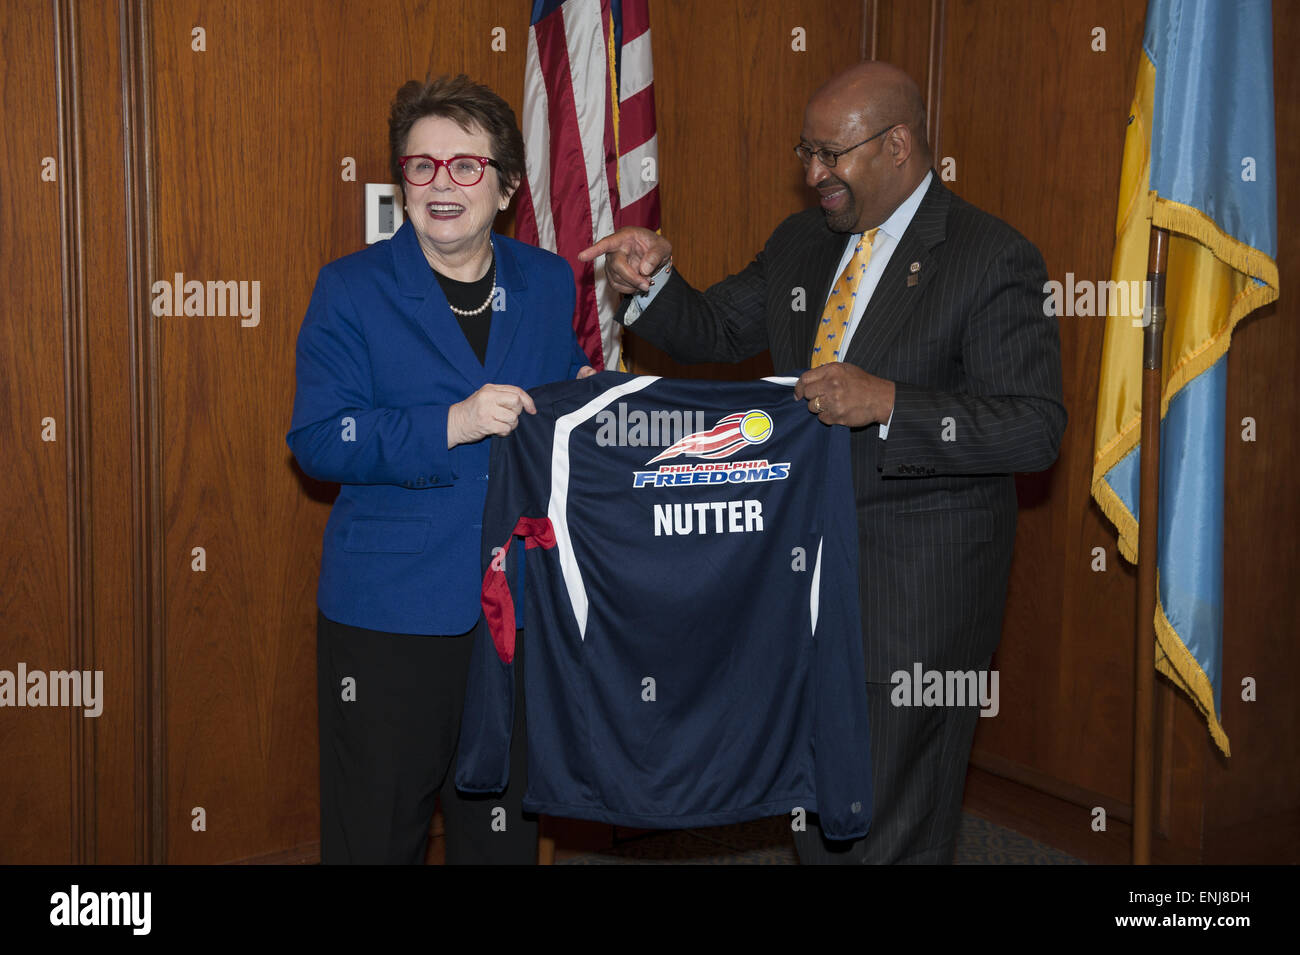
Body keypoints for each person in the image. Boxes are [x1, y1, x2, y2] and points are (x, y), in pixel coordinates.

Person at [580, 60, 1066, 864]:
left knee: (883, 809)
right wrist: (652, 279)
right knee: (813, 787)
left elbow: (1034, 429)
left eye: (830, 156)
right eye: (804, 153)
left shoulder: (990, 256)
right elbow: (714, 330)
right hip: (798, 566)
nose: (812, 175)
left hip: (913, 586)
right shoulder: (803, 242)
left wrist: (889, 403)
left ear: (899, 145)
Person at [288, 74, 593, 864]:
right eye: (422, 166)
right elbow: (320, 438)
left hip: (516, 613)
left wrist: (597, 399)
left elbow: (563, 391)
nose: (442, 184)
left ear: (508, 186)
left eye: (466, 165)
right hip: (391, 614)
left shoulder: (548, 279)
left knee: (499, 831)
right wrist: (449, 424)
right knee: (375, 834)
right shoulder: (351, 288)